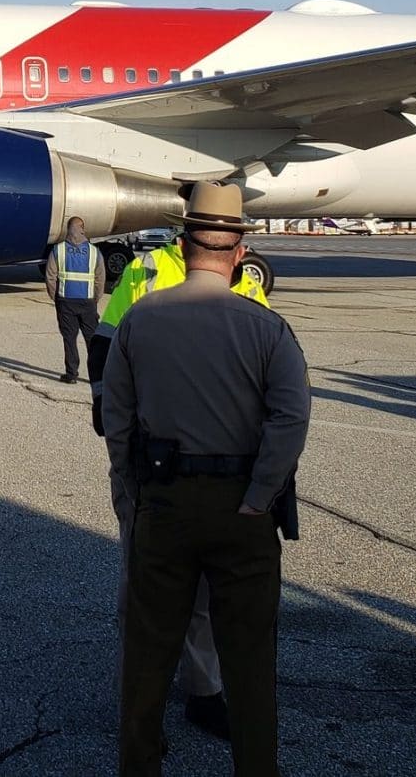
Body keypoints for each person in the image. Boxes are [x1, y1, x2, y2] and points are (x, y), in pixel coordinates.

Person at [102, 183, 310, 776]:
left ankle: (140, 765)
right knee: (248, 659)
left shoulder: (141, 319)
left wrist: (130, 491)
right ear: (239, 251)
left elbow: (116, 416)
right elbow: (291, 416)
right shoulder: (266, 326)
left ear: (183, 243)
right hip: (241, 509)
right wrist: (261, 495)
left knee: (146, 653)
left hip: (162, 503)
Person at [87, 214, 271, 742]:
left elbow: (269, 367)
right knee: (144, 589)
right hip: (156, 460)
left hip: (218, 463)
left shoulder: (247, 286)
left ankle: (203, 690)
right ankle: (141, 704)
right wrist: (113, 431)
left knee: (208, 594)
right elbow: (104, 343)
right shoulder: (146, 271)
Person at [44, 216, 103, 384]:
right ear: (83, 229)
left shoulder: (58, 250)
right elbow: (100, 279)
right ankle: (96, 376)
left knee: (69, 338)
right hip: (88, 302)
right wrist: (95, 299)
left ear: (68, 229)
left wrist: (56, 296)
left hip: (66, 301)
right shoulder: (94, 252)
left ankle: (71, 374)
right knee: (92, 340)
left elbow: (50, 276)